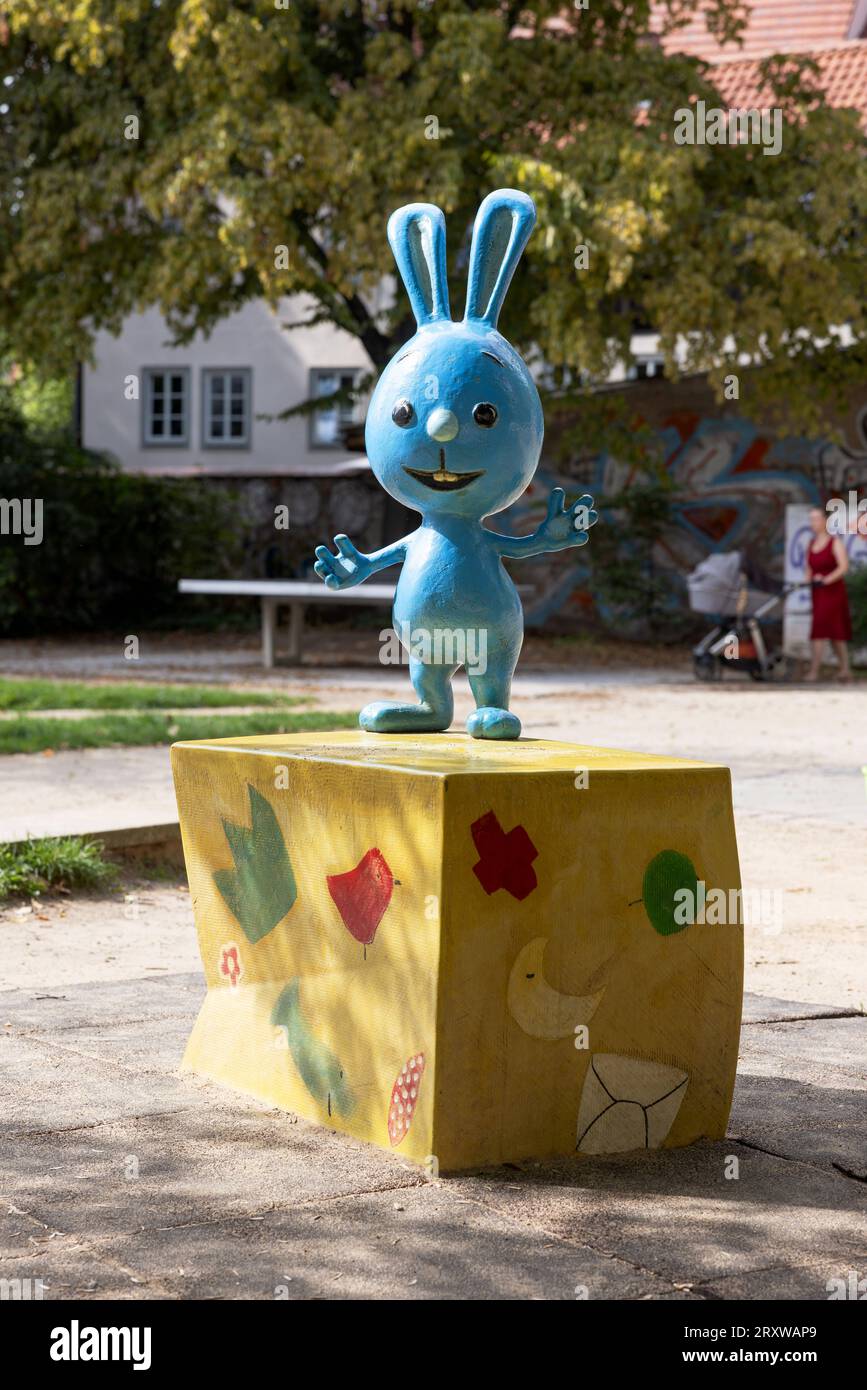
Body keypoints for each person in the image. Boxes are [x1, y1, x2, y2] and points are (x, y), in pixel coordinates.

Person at [805, 506, 852, 682]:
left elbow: (843, 567)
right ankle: (844, 669)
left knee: (827, 630)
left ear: (825, 521)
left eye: (816, 518)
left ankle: (814, 671)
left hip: (833, 592)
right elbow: (808, 568)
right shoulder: (810, 544)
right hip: (817, 593)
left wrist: (826, 579)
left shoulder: (835, 542)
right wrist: (807, 582)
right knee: (829, 631)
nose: (813, 522)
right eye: (811, 519)